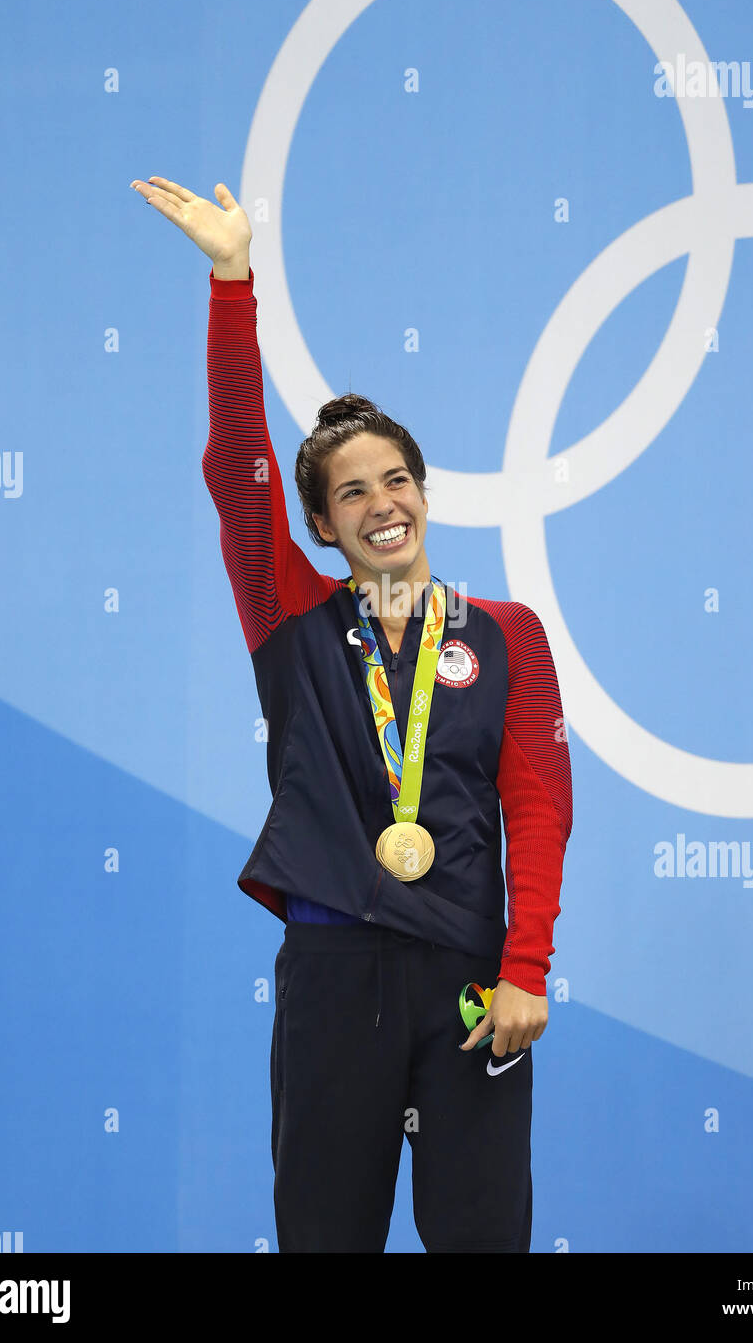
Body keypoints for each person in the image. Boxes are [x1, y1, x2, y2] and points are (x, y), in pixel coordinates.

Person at [129, 174, 573, 1253]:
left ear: (424, 492)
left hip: (470, 984)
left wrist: (525, 969)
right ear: (323, 526)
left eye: (396, 480)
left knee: (482, 1239)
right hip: (334, 975)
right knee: (325, 1239)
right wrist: (232, 280)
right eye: (352, 493)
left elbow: (539, 806)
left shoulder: (507, 632)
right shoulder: (291, 618)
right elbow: (236, 469)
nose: (382, 504)